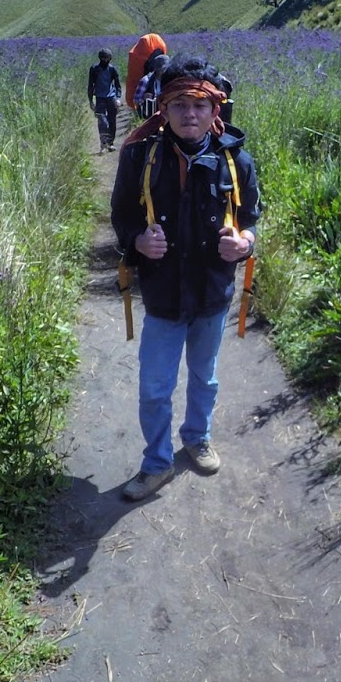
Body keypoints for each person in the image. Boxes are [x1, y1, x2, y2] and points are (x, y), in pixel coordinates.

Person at [110, 56, 261, 501]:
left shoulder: (236, 160)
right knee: (154, 388)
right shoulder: (139, 157)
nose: (189, 114)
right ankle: (157, 463)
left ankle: (197, 438)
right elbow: (121, 216)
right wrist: (138, 241)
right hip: (163, 297)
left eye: (199, 105)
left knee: (204, 377)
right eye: (179, 104)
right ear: (163, 109)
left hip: (213, 295)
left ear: (215, 109)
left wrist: (245, 243)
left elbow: (251, 219)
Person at [87, 48, 121, 152]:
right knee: (102, 122)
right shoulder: (94, 69)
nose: (105, 60)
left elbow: (117, 85)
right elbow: (90, 85)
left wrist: (118, 98)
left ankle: (110, 143)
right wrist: (90, 101)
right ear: (100, 58)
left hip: (111, 98)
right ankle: (103, 143)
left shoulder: (112, 69)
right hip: (99, 98)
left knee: (112, 121)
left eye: (107, 58)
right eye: (103, 58)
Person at [132, 52, 169, 119]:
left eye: (166, 69)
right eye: (162, 69)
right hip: (151, 116)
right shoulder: (146, 80)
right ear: (156, 69)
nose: (164, 71)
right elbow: (136, 100)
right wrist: (144, 99)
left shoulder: (171, 79)